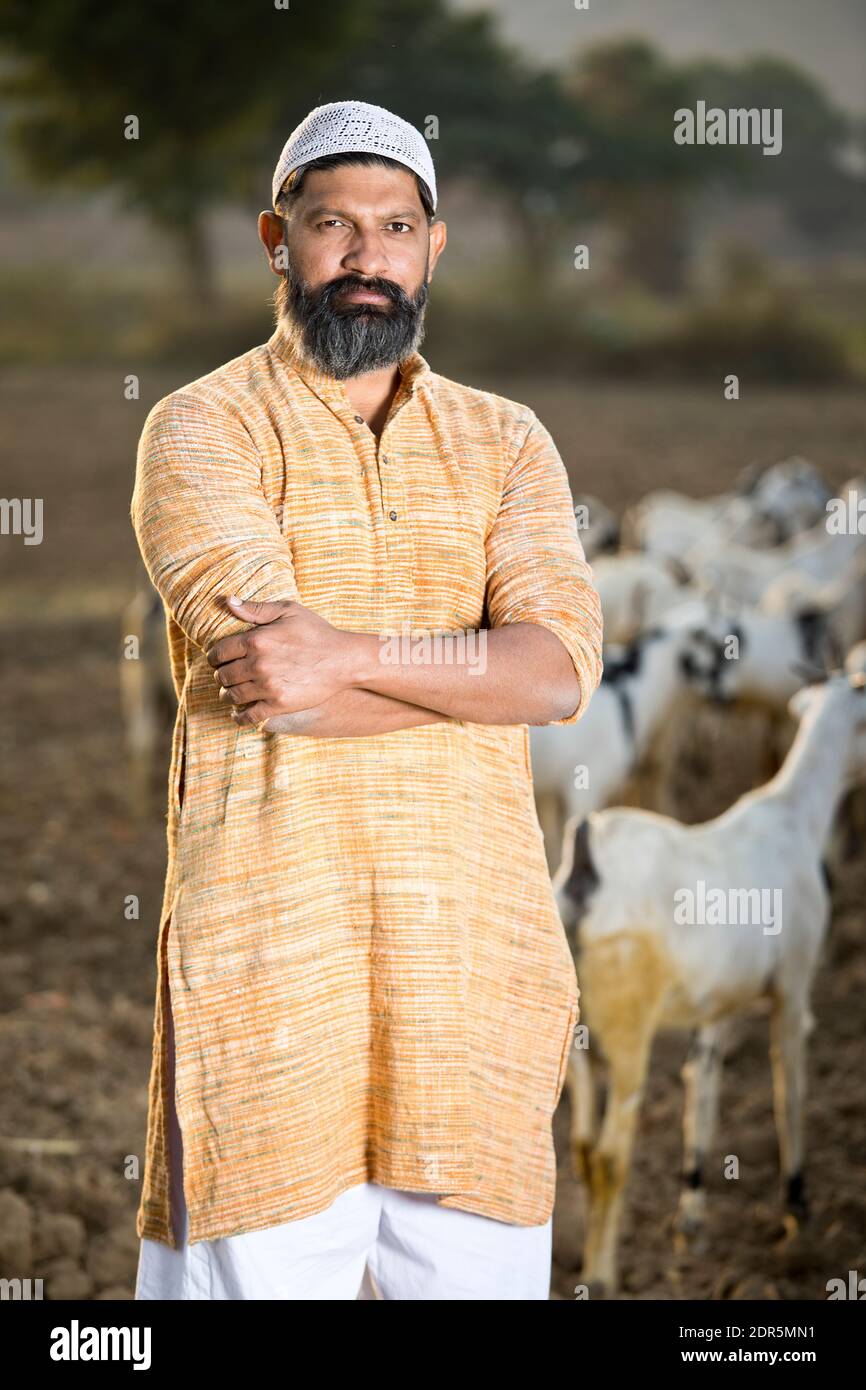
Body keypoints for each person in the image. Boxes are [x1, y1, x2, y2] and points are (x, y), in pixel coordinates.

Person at [131, 99, 603, 1300]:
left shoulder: (507, 442)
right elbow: (278, 688)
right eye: (330, 224)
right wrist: (471, 675)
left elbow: (555, 672)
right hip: (269, 984)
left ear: (432, 247)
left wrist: (347, 649)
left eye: (394, 227)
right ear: (274, 240)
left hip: (473, 988)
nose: (363, 256)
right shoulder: (200, 428)